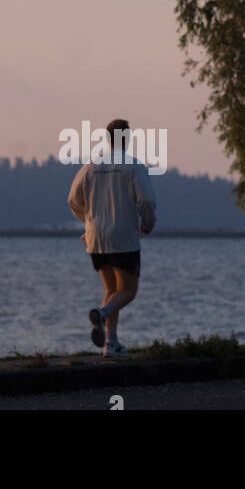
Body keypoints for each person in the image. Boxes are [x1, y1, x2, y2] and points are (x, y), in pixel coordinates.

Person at [66, 118, 157, 357]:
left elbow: (73, 200)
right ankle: (102, 314)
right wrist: (147, 224)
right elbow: (146, 200)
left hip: (95, 238)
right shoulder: (133, 166)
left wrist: (88, 219)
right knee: (128, 291)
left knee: (112, 291)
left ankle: (111, 343)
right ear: (127, 139)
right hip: (123, 238)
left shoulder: (90, 166)